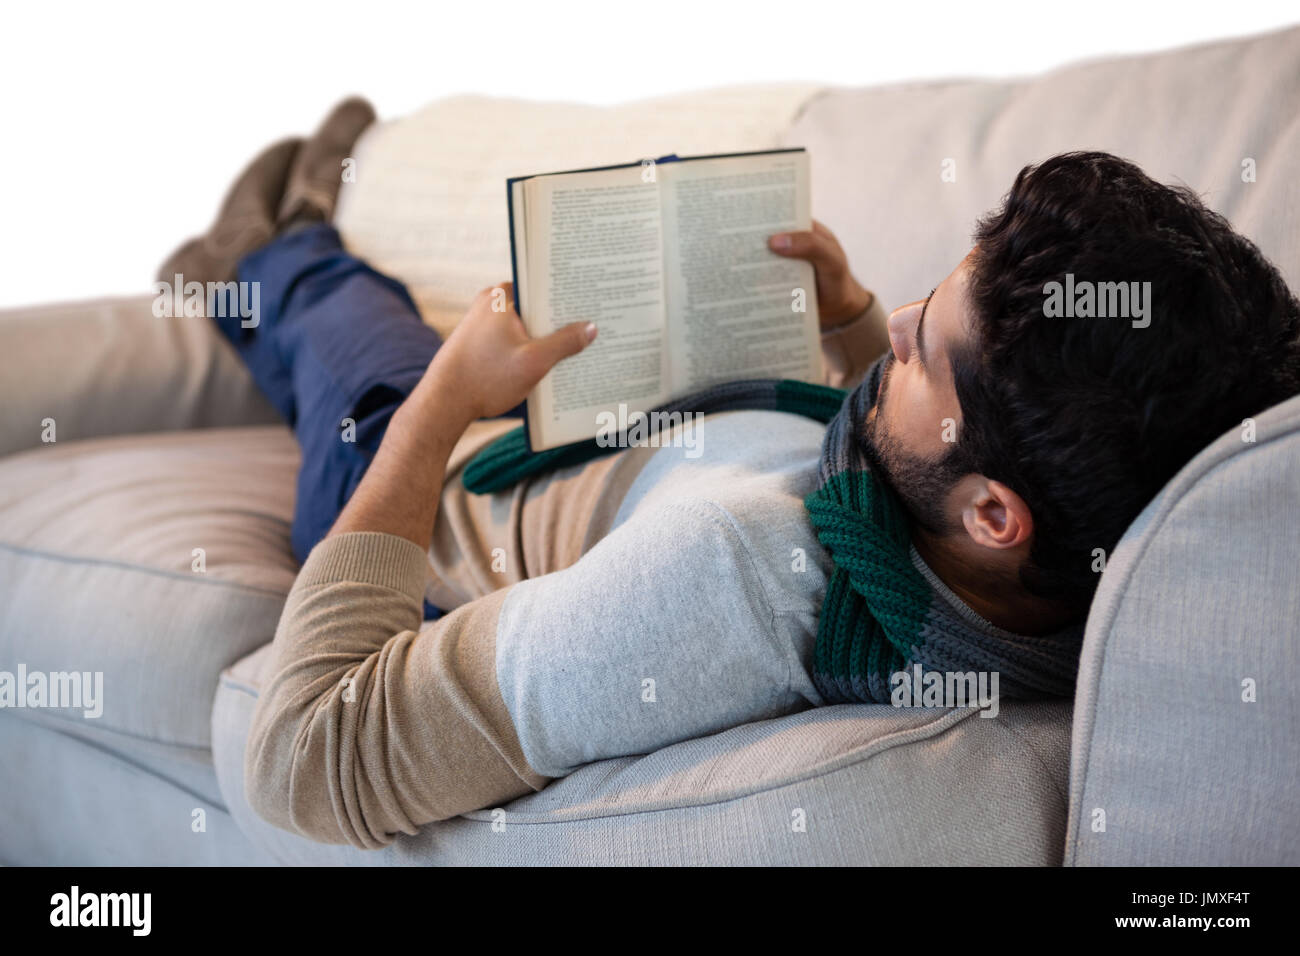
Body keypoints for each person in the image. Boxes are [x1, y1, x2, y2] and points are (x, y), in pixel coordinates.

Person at [162, 98, 1300, 849]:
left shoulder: (731, 579)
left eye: (920, 346)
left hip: (451, 502)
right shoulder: (1100, 573)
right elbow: (947, 497)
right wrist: (853, 322)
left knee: (356, 344)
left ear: (996, 513)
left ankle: (270, 239)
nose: (899, 320)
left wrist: (447, 405)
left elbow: (306, 753)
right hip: (628, 435)